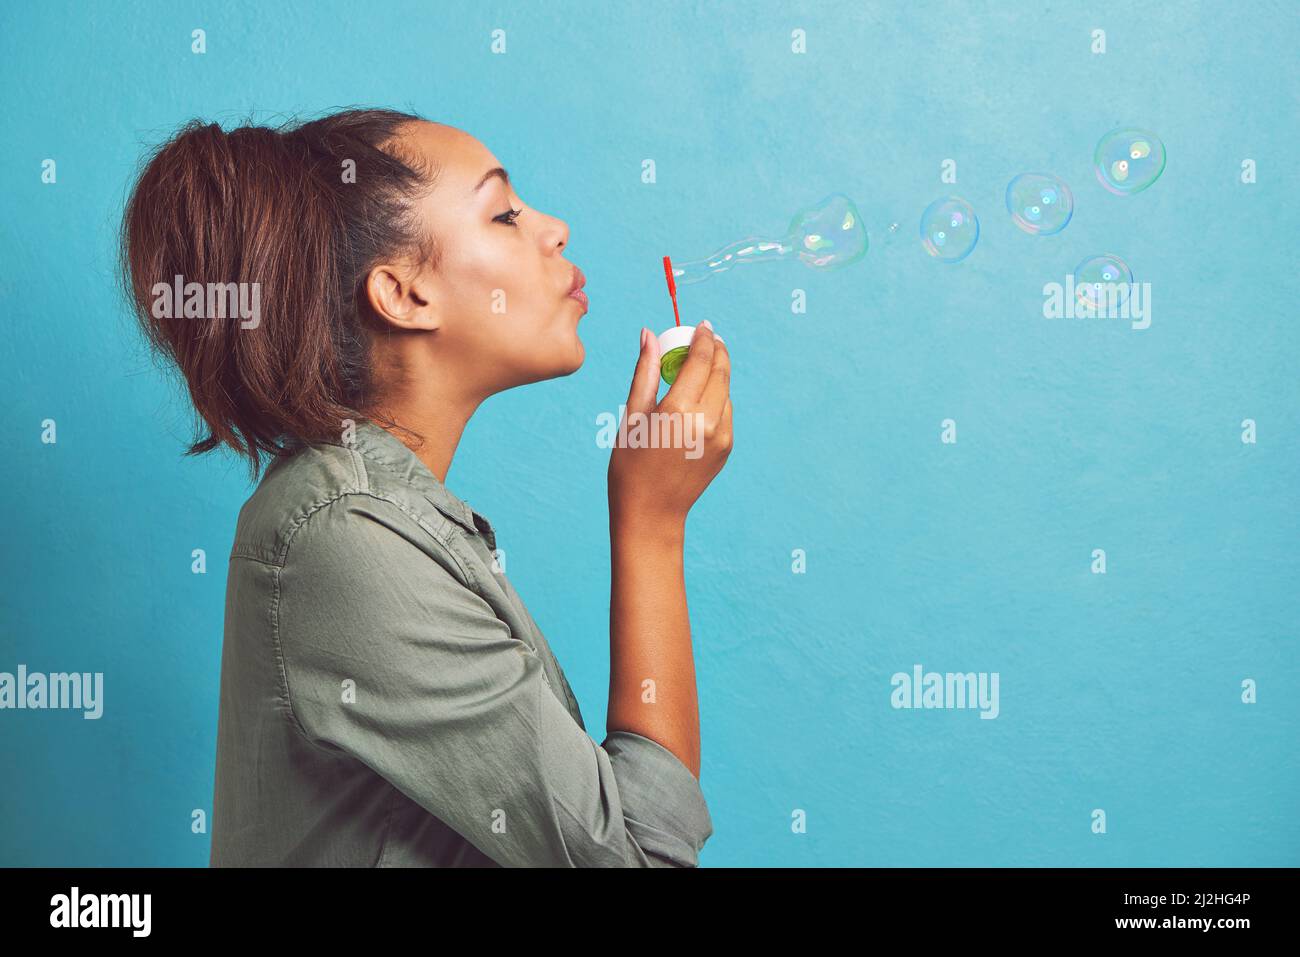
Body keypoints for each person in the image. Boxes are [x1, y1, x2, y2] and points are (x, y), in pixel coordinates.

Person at [118, 108, 734, 866]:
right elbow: (640, 858)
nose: (555, 228)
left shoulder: (381, 516)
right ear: (403, 294)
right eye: (504, 213)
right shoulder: (347, 538)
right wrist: (651, 520)